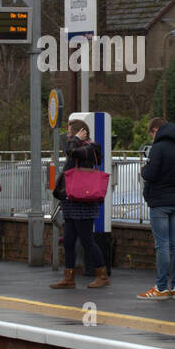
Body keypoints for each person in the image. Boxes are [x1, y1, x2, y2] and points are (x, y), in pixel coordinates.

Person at [49, 119, 109, 289]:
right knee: (68, 240)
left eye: (70, 133)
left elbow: (70, 151)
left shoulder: (91, 147)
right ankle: (69, 277)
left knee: (87, 240)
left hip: (83, 201)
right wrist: (73, 138)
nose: (68, 136)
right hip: (71, 199)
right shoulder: (77, 146)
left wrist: (74, 138)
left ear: (80, 132)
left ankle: (102, 274)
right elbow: (69, 149)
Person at [138, 117, 175, 299]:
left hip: (159, 202)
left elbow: (150, 174)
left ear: (156, 130)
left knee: (162, 246)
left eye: (152, 133)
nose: (152, 137)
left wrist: (144, 170)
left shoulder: (158, 148)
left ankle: (160, 287)